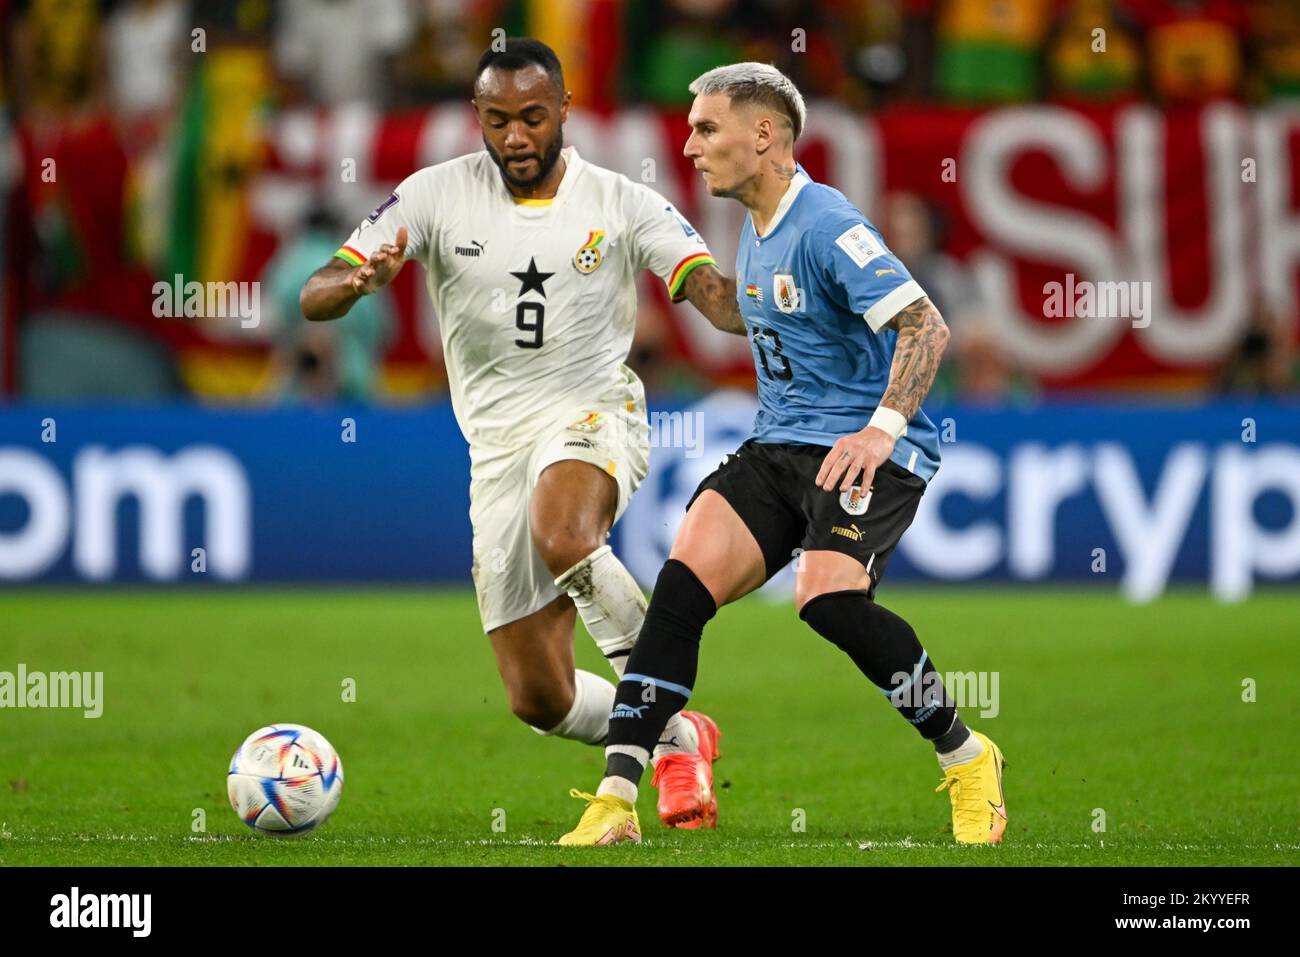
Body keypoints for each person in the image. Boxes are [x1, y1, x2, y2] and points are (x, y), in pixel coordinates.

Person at [299, 39, 748, 830]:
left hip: (593, 411)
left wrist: (778, 304)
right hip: (496, 448)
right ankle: (681, 728)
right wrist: (354, 280)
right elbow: (316, 293)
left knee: (565, 532)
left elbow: (710, 292)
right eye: (498, 119)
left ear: (565, 112)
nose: (515, 137)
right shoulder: (432, 196)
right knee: (539, 697)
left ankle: (658, 752)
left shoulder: (621, 201)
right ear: (477, 116)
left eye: (533, 118)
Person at [559, 62, 1008, 847]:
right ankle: (616, 800)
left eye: (707, 128)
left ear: (763, 134)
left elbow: (926, 326)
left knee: (828, 602)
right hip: (776, 447)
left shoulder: (828, 223)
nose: (692, 146)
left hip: (861, 450)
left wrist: (880, 431)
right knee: (681, 585)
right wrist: (667, 260)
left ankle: (968, 755)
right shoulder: (758, 227)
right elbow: (749, 311)